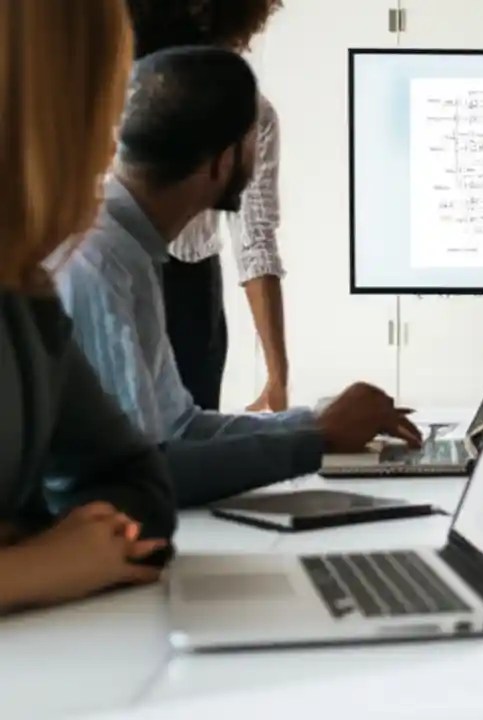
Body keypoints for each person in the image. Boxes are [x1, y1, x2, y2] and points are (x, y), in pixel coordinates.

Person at [52, 46, 421, 508]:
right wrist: (315, 441)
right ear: (222, 162)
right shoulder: (98, 267)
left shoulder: (131, 250)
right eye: (255, 141)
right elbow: (138, 480)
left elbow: (180, 427)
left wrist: (313, 421)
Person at [0, 0, 175, 613]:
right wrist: (34, 567)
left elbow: (138, 483)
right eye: (98, 117)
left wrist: (43, 543)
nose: (108, 155)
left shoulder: (23, 296)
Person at [126, 0, 289, 412]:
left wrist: (277, 380)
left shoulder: (252, 112)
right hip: (127, 266)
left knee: (189, 428)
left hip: (193, 290)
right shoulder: (118, 94)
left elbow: (256, 241)